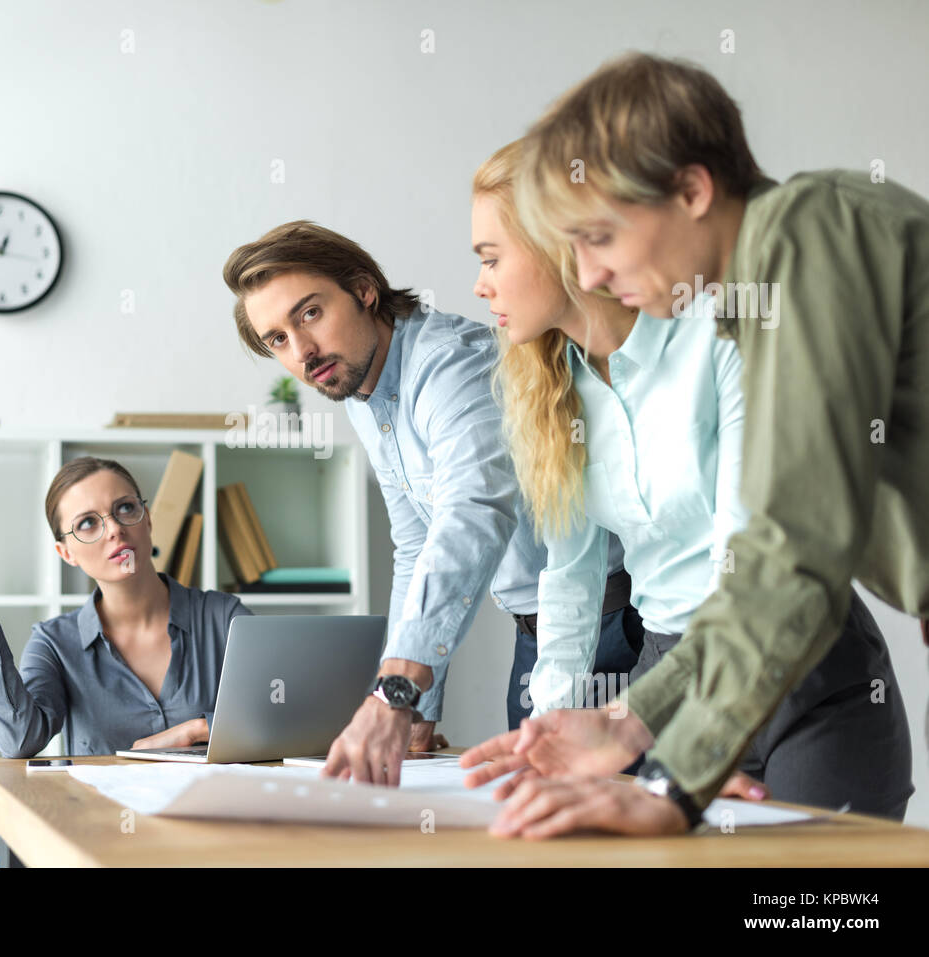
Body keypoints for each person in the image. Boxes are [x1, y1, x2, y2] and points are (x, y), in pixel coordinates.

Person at [461, 51, 929, 838]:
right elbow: (774, 558)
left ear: (691, 190)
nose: (592, 275)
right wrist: (630, 724)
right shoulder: (759, 299)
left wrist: (670, 786)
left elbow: (793, 549)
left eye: (599, 237)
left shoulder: (806, 235)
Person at [223, 221, 643, 786]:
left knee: (625, 836)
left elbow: (473, 513)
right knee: (539, 827)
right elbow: (415, 545)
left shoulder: (450, 364)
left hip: (615, 628)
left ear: (364, 289)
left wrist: (396, 693)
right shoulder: (361, 391)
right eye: (276, 339)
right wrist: (420, 705)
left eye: (310, 313)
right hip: (536, 638)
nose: (302, 351)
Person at [0, 455, 252, 757]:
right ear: (65, 553)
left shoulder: (224, 619)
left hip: (214, 833)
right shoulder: (55, 643)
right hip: (100, 837)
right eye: (88, 523)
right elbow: (20, 740)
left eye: (125, 508)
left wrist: (197, 728)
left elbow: (285, 717)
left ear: (148, 518)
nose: (114, 529)